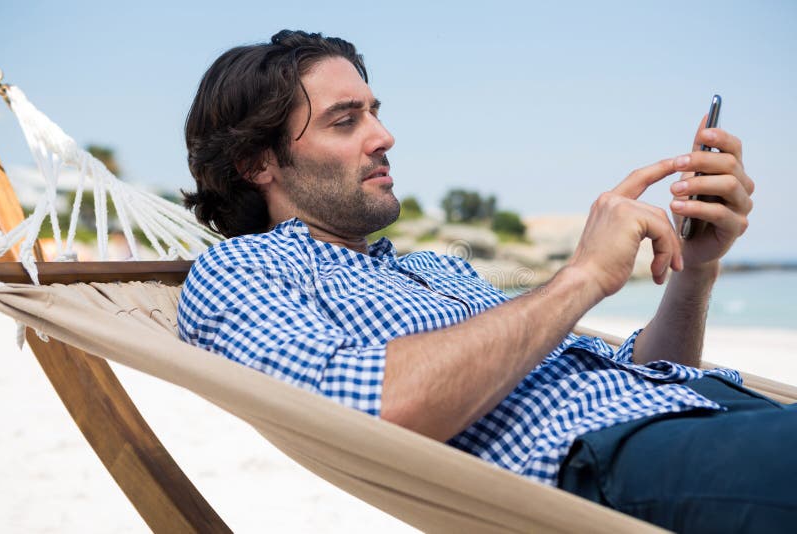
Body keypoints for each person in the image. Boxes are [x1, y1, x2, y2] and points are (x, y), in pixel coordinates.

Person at [177, 30, 795, 532]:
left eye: (375, 112)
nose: (384, 137)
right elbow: (368, 411)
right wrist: (581, 276)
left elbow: (639, 372)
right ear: (257, 163)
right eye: (345, 121)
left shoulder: (431, 268)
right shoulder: (241, 271)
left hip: (702, 411)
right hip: (606, 461)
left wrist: (696, 268)